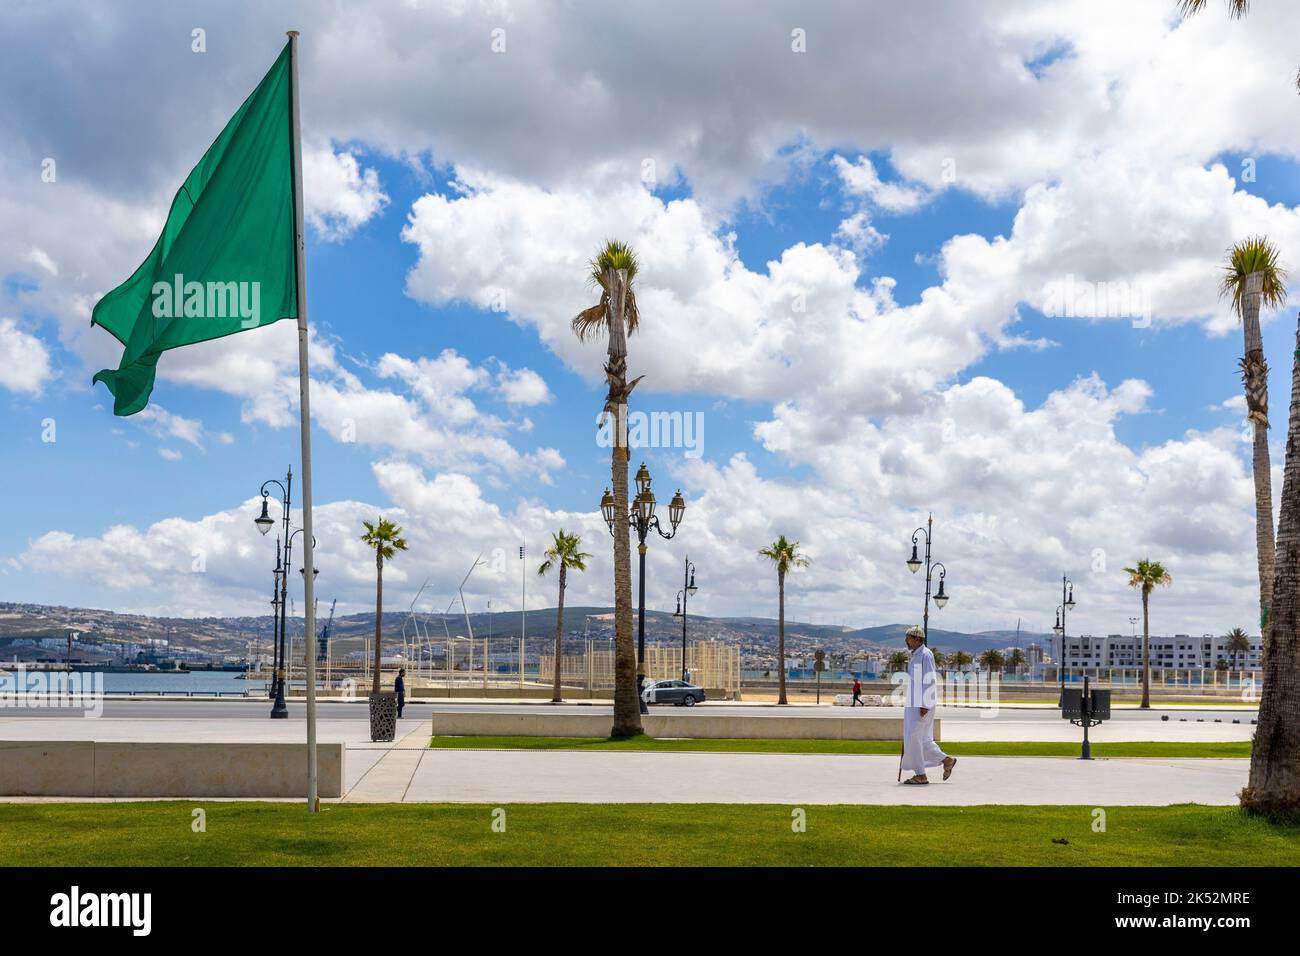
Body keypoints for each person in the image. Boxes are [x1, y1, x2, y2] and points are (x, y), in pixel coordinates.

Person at [900, 626, 955, 784]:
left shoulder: (926, 655)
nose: (906, 641)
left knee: (913, 738)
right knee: (921, 739)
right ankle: (946, 760)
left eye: (909, 637)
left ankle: (921, 775)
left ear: (918, 639)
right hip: (913, 703)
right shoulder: (914, 655)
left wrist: (925, 704)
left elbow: (930, 680)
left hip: (921, 705)